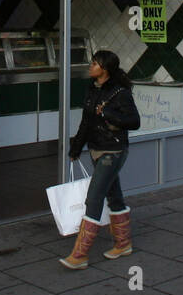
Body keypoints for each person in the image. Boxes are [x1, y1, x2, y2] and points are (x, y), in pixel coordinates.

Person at [60, 49, 140, 269]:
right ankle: (123, 244)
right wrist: (76, 148)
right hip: (96, 149)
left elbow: (134, 121)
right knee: (114, 196)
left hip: (112, 151)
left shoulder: (120, 92)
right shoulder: (92, 89)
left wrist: (107, 114)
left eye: (95, 63)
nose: (90, 66)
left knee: (94, 198)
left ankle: (80, 255)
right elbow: (86, 122)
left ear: (105, 69)